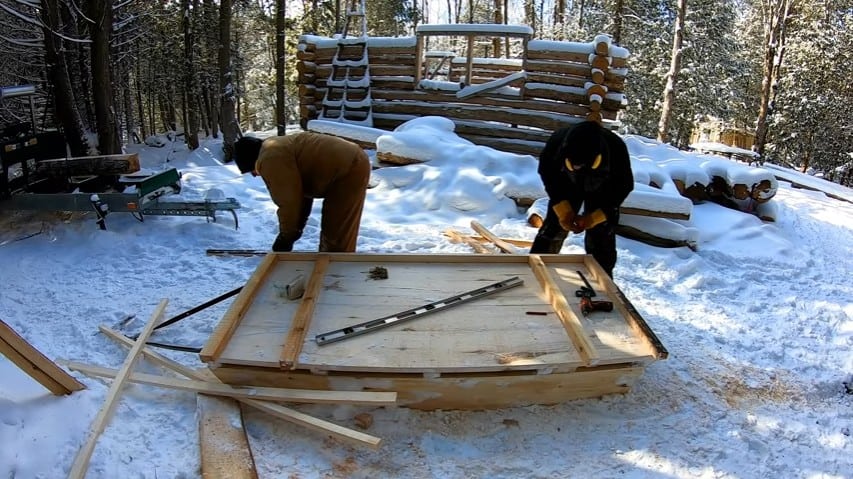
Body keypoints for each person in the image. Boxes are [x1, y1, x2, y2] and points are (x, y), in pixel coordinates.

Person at [233, 132, 371, 252]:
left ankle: (337, 275)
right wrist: (295, 230)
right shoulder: (274, 148)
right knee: (334, 233)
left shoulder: (270, 157)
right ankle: (329, 267)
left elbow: (289, 202)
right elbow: (299, 196)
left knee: (337, 235)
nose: (254, 175)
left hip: (349, 167)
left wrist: (286, 238)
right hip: (350, 161)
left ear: (251, 161)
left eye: (251, 171)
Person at [529, 121, 634, 278]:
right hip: (567, 186)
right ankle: (535, 272)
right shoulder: (557, 143)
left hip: (603, 190)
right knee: (553, 228)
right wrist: (563, 209)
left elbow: (622, 187)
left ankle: (603, 281)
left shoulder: (615, 148)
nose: (578, 169)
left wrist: (596, 216)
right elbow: (548, 175)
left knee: (602, 237)